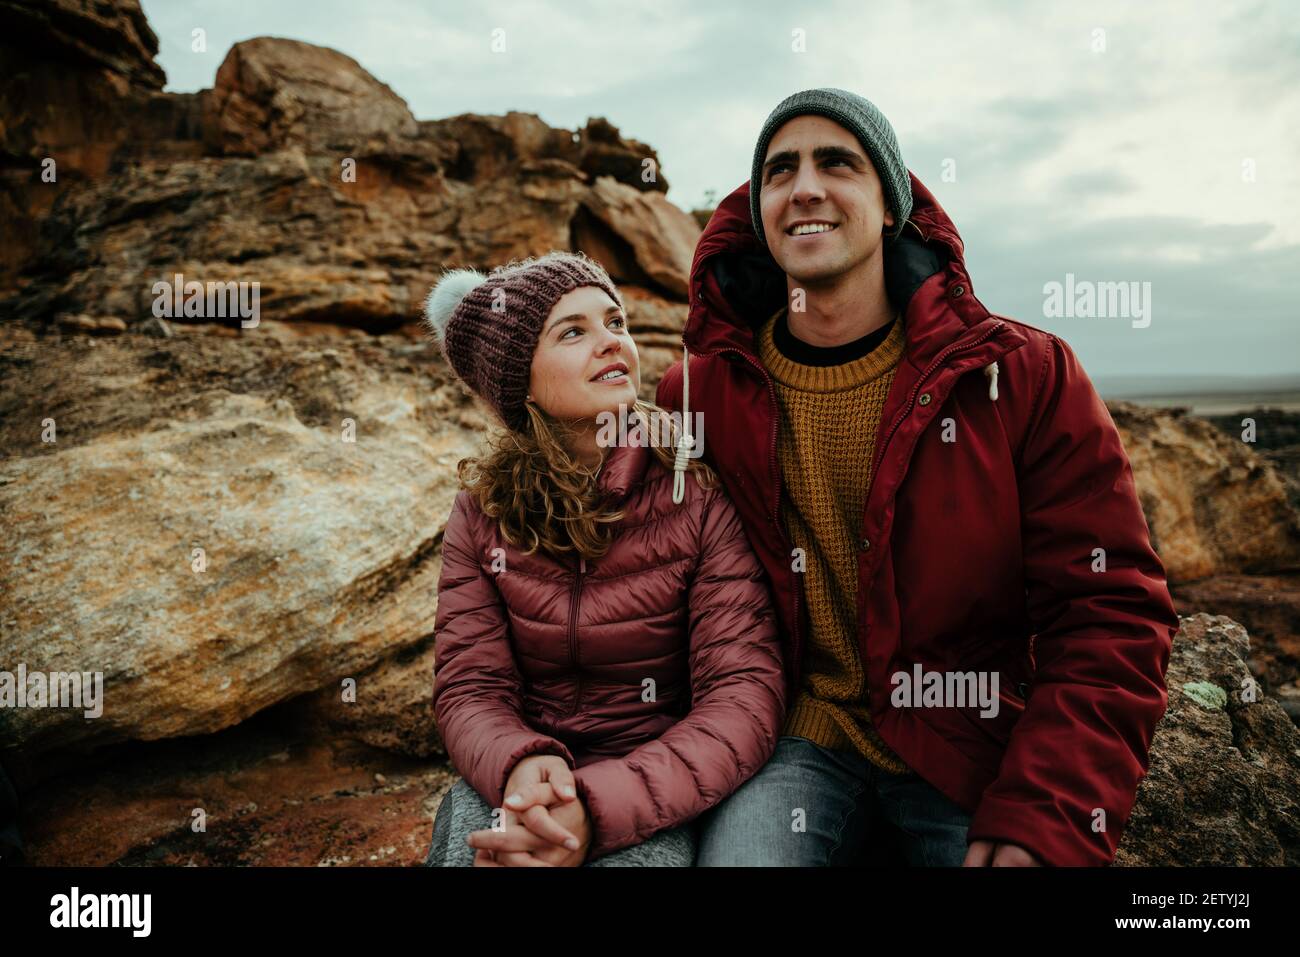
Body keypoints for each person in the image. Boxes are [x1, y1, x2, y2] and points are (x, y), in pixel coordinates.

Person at [656, 88, 1181, 866]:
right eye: (778, 170)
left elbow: (1108, 612)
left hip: (962, 743)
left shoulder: (1020, 376)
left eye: (838, 162)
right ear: (760, 210)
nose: (804, 187)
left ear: (892, 205)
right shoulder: (700, 394)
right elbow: (649, 596)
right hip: (791, 740)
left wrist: (1048, 814)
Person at [421, 250, 786, 867]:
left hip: (652, 785)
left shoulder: (692, 491)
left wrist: (596, 805)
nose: (611, 342)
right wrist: (523, 763)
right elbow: (470, 685)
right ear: (519, 383)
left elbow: (743, 693)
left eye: (615, 323)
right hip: (519, 775)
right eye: (573, 331)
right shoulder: (482, 510)